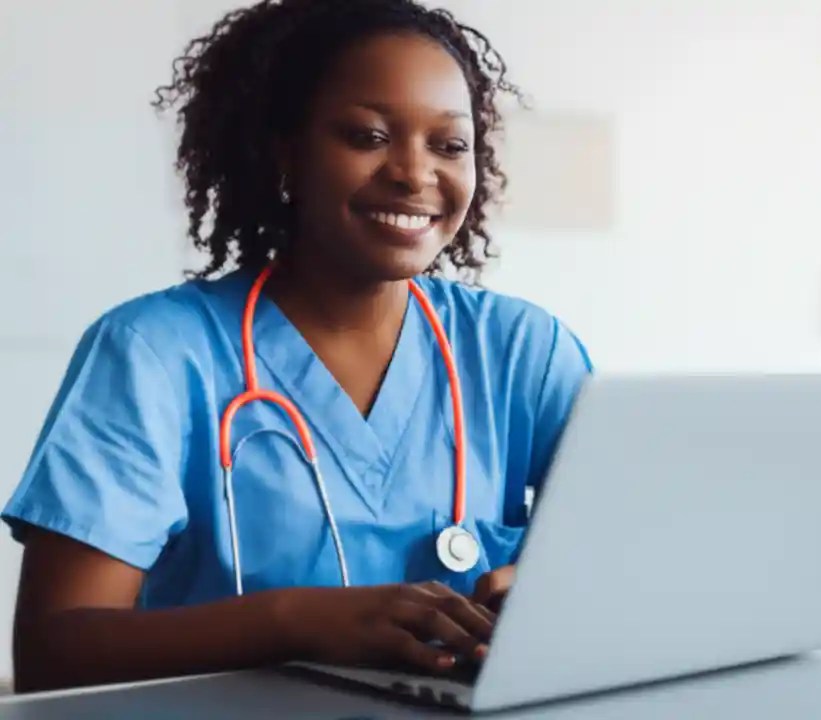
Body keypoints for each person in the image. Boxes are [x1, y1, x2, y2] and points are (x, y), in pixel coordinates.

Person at [2, 0, 591, 693]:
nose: (414, 173)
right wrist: (294, 622)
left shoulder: (523, 352)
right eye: (368, 136)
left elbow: (640, 561)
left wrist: (551, 598)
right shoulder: (155, 354)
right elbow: (53, 652)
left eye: (449, 145)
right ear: (284, 151)